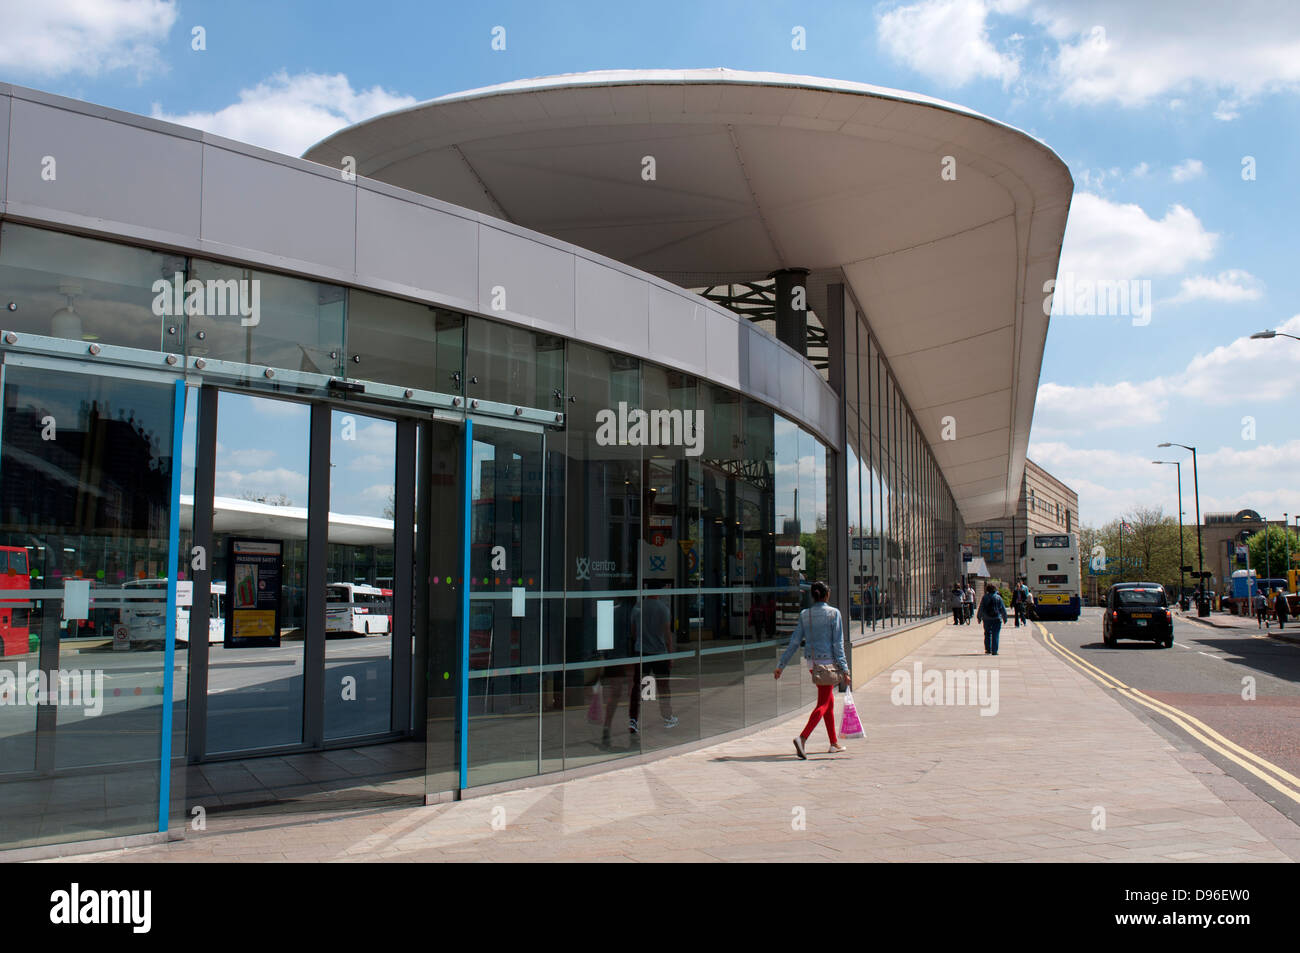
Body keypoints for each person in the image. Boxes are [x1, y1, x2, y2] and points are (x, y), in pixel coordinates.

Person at [774, 580, 851, 759]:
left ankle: (833, 743)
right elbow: (838, 644)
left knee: (828, 702)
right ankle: (802, 738)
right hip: (828, 664)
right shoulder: (834, 614)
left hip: (812, 664)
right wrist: (845, 670)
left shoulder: (805, 615)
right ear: (826, 595)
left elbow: (794, 642)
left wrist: (781, 665)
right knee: (823, 704)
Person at [629, 583, 678, 732]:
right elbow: (667, 635)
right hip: (659, 653)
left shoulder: (637, 608)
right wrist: (670, 654)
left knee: (638, 686)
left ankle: (633, 719)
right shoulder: (663, 609)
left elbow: (633, 632)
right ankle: (667, 716)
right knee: (663, 686)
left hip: (641, 652)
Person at [976, 581, 1007, 655]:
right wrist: (1004, 618)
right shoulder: (998, 597)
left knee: (987, 634)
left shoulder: (985, 597)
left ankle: (988, 649)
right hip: (996, 618)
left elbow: (981, 607)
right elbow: (1002, 608)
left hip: (986, 618)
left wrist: (979, 617)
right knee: (995, 634)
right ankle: (994, 651)